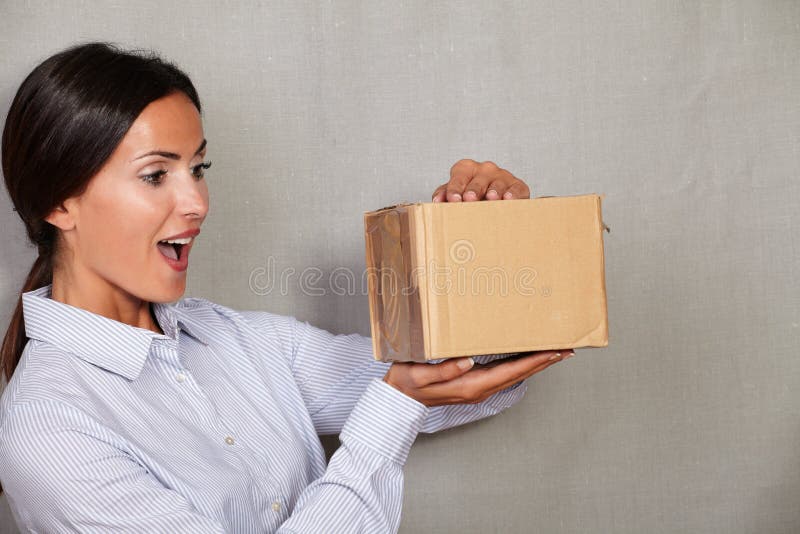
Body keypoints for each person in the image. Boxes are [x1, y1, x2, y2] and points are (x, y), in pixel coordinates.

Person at [0, 42, 572, 533]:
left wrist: (488, 240)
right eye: (156, 175)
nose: (197, 203)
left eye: (198, 169)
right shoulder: (49, 430)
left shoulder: (238, 341)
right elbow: (402, 395)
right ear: (59, 202)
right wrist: (393, 409)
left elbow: (458, 373)